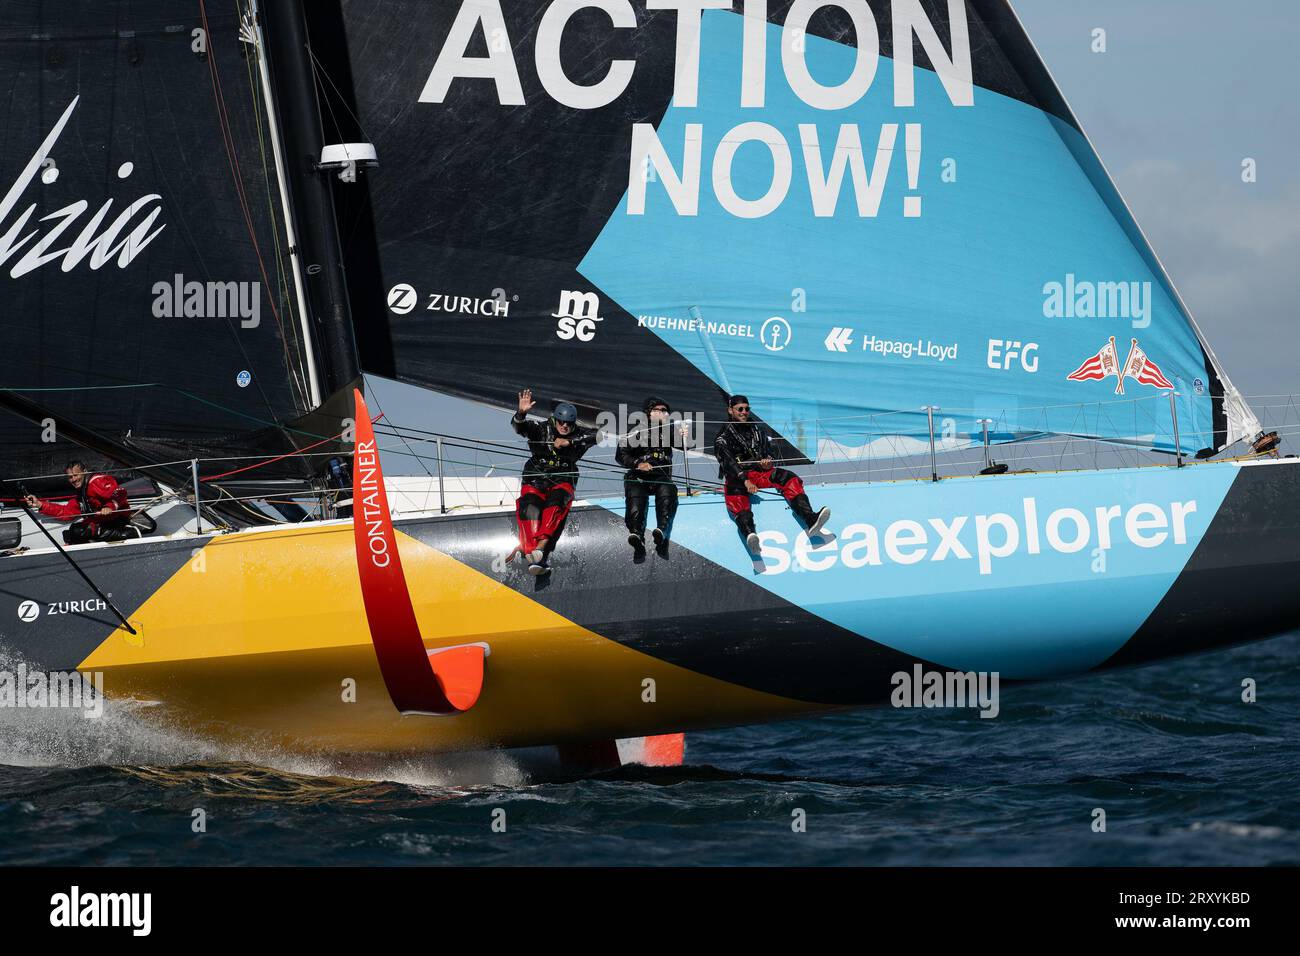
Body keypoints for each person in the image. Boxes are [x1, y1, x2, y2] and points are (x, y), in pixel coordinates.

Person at [713, 395, 830, 551]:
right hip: (738, 477)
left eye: (747, 409)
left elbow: (770, 450)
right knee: (736, 496)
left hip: (759, 474)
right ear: (730, 410)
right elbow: (727, 462)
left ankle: (810, 519)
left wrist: (768, 461)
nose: (744, 412)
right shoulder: (723, 436)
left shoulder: (756, 429)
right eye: (740, 409)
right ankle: (750, 535)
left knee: (789, 478)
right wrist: (745, 480)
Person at [509, 389, 596, 576]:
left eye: (568, 424)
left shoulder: (578, 434)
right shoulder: (541, 429)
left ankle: (540, 550)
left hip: (562, 479)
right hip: (536, 477)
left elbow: (600, 436)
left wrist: (571, 443)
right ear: (555, 420)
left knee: (556, 503)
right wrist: (521, 413)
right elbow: (520, 427)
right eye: (561, 422)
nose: (564, 426)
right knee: (530, 507)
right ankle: (534, 553)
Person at [616, 396, 690, 554]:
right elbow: (620, 454)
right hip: (638, 476)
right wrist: (637, 464)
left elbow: (688, 447)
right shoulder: (636, 430)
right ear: (649, 413)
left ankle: (661, 531)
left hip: (660, 477)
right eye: (660, 411)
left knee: (668, 489)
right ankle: (636, 534)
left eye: (666, 411)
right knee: (635, 495)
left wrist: (684, 437)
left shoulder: (669, 431)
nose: (664, 414)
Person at [23, 460, 144, 544]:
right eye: (70, 477)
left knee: (79, 531)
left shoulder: (96, 482)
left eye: (76, 475)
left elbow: (120, 492)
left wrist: (109, 506)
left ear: (85, 471)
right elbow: (67, 512)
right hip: (103, 522)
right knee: (70, 533)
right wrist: (40, 504)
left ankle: (129, 533)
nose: (74, 479)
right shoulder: (81, 492)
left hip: (118, 520)